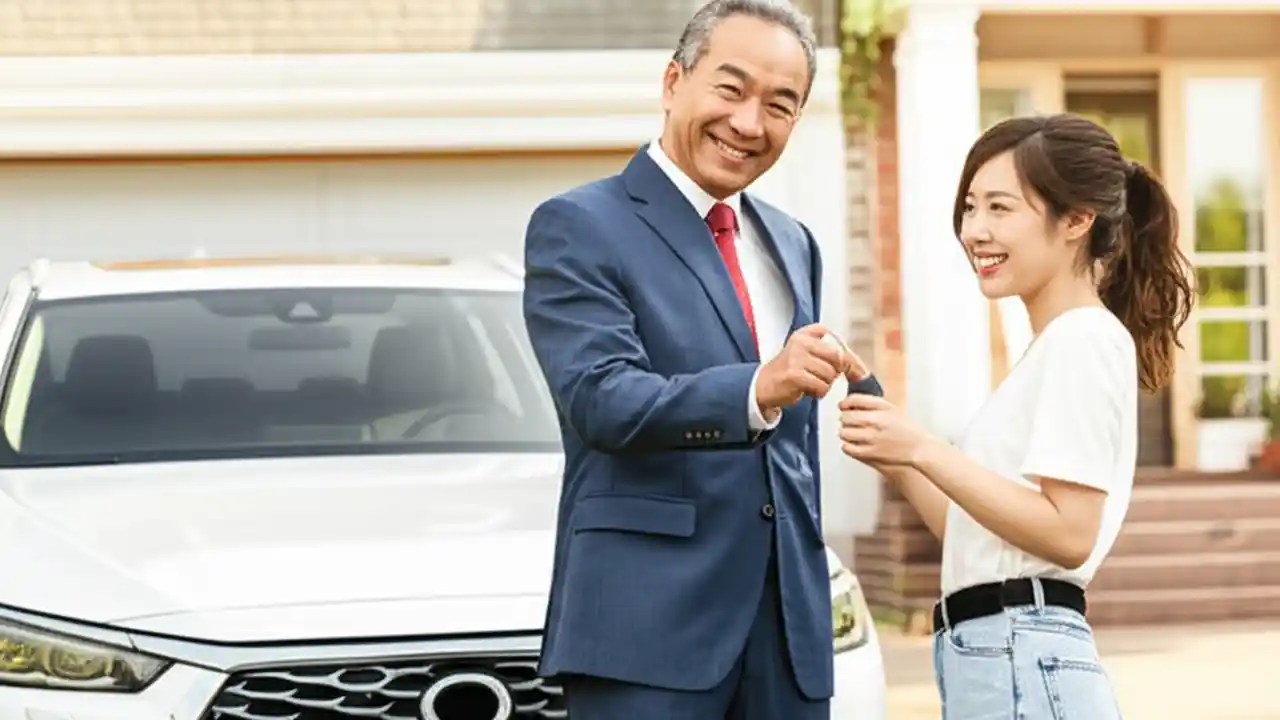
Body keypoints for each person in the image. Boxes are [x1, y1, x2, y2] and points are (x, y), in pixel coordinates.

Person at [521, 1, 880, 717]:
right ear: (673, 81)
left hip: (789, 639)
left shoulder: (793, 241)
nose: (749, 122)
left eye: (779, 105)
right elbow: (601, 398)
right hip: (647, 631)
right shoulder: (580, 225)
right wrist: (758, 387)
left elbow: (792, 452)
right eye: (730, 88)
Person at [838, 113, 1194, 718]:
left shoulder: (1083, 339)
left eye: (1000, 208)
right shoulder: (1053, 349)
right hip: (998, 653)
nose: (975, 230)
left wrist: (923, 448)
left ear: (1076, 220)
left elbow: (1069, 534)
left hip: (1021, 648)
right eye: (970, 207)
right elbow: (974, 533)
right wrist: (897, 454)